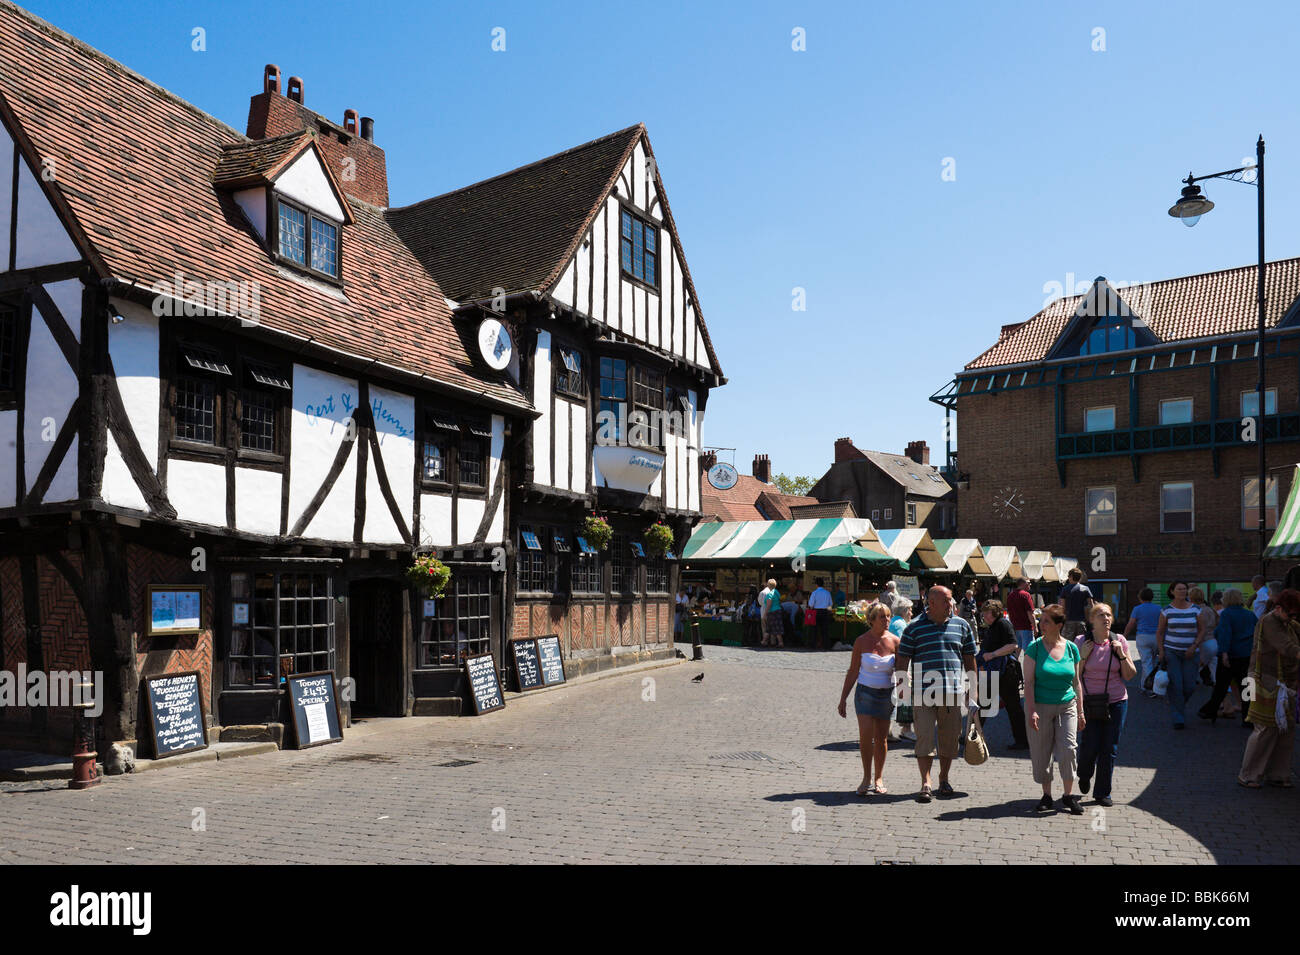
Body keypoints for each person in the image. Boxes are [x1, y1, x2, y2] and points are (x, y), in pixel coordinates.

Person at [896, 585, 978, 803]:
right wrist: (902, 686)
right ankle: (926, 782)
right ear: (931, 603)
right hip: (923, 693)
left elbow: (970, 659)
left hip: (952, 692)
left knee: (949, 739)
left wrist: (973, 689)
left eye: (951, 600)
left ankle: (944, 777)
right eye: (947, 600)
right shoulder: (913, 628)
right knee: (924, 737)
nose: (951, 604)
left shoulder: (962, 626)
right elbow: (902, 659)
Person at [1023, 604, 1085, 814]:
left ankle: (1068, 795)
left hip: (1067, 705)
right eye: (1041, 620)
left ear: (1059, 625)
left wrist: (1081, 711)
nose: (1041, 624)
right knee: (1042, 752)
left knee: (1068, 749)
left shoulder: (1071, 648)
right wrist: (1032, 710)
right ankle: (1047, 795)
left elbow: (1077, 682)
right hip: (1040, 706)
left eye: (1046, 621)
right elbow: (1028, 683)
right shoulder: (1035, 648)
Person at [1075, 603, 1136, 807]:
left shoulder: (1119, 641)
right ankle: (1084, 775)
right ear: (1092, 620)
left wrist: (1121, 654)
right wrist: (1083, 656)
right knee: (1090, 745)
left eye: (1109, 614)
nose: (1106, 618)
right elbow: (1074, 675)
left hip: (1116, 702)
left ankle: (1102, 792)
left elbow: (1129, 675)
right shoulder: (1081, 641)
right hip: (1090, 701)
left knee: (1109, 748)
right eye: (1101, 615)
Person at [1238, 589, 1300, 787]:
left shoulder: (1288, 622)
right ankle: (1248, 774)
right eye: (1291, 614)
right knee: (1265, 728)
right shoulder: (1269, 621)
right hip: (1265, 679)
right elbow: (1287, 647)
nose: (1293, 618)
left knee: (1286, 728)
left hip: (1285, 682)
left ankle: (1278, 773)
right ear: (1279, 608)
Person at [837, 603, 900, 795]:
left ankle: (878, 777)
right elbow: (853, 670)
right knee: (865, 737)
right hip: (865, 694)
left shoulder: (895, 641)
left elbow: (903, 670)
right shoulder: (861, 641)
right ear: (871, 620)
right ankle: (866, 777)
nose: (887, 620)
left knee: (881, 739)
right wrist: (843, 698)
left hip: (886, 695)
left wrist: (905, 688)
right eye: (882, 617)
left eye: (888, 616)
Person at [1156, 581, 1206, 729]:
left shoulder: (1196, 609)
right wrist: (1161, 651)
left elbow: (1202, 630)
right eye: (1179, 589)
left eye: (1185, 589)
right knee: (1176, 684)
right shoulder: (1166, 611)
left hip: (1191, 652)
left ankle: (1177, 706)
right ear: (1172, 591)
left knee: (1190, 686)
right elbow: (1160, 632)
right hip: (1172, 651)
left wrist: (1195, 645)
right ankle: (1178, 716)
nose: (1183, 591)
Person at [1202, 589, 1256, 726]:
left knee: (1221, 685)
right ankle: (1249, 716)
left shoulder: (1226, 614)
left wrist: (1224, 652)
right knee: (1247, 686)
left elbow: (1225, 634)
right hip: (1247, 655)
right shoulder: (1250, 615)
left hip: (1231, 655)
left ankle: (1210, 710)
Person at [979, 599, 1028, 750]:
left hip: (1005, 672)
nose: (985, 616)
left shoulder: (1002, 624)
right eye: (984, 612)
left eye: (987, 612)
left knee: (1012, 707)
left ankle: (1022, 740)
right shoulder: (993, 626)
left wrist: (993, 654)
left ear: (995, 612)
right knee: (984, 704)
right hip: (995, 671)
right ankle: (971, 735)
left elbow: (1013, 645)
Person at [1124, 588, 1163, 698]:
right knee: (1152, 662)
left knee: (1146, 663)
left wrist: (1124, 636)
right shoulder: (1159, 608)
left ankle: (1149, 687)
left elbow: (1131, 624)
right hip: (1156, 637)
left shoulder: (1137, 609)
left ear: (1140, 597)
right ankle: (1144, 685)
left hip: (1143, 637)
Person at [887, 594, 917, 741]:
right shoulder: (900, 625)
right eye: (910, 610)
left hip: (896, 667)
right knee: (903, 698)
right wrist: (904, 672)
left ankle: (889, 730)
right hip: (900, 667)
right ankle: (906, 729)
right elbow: (901, 648)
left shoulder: (895, 621)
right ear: (904, 610)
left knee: (897, 698)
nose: (911, 613)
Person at [1190, 587, 1218, 685]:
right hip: (1213, 641)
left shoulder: (1195, 611)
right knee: (1213, 663)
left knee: (1195, 664)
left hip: (1202, 642)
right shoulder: (1210, 610)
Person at [1059, 568, 1094, 639]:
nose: (1068, 578)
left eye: (1068, 576)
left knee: (1068, 643)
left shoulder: (1065, 589)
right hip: (1082, 622)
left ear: (1071, 577)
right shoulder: (1085, 589)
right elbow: (1091, 606)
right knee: (1081, 642)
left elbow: (1062, 607)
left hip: (1069, 621)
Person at [1007, 577, 1036, 652]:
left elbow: (1009, 613)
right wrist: (1035, 627)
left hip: (1016, 628)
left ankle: (1013, 664)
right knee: (1029, 652)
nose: (1030, 584)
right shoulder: (1026, 595)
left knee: (1016, 651)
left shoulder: (1010, 595)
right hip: (1026, 627)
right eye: (1029, 583)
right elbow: (1030, 613)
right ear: (1023, 584)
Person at [808, 578, 833, 651]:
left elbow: (811, 604)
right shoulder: (827, 593)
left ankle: (814, 645)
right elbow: (830, 604)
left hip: (816, 612)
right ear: (823, 584)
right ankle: (826, 646)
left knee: (814, 630)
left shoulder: (814, 593)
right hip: (825, 612)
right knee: (825, 630)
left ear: (816, 585)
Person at [759, 578, 784, 648]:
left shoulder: (770, 594)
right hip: (778, 611)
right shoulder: (777, 592)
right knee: (776, 627)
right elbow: (779, 601)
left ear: (768, 585)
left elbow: (769, 605)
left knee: (768, 628)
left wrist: (765, 614)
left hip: (772, 612)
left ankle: (764, 641)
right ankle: (780, 642)